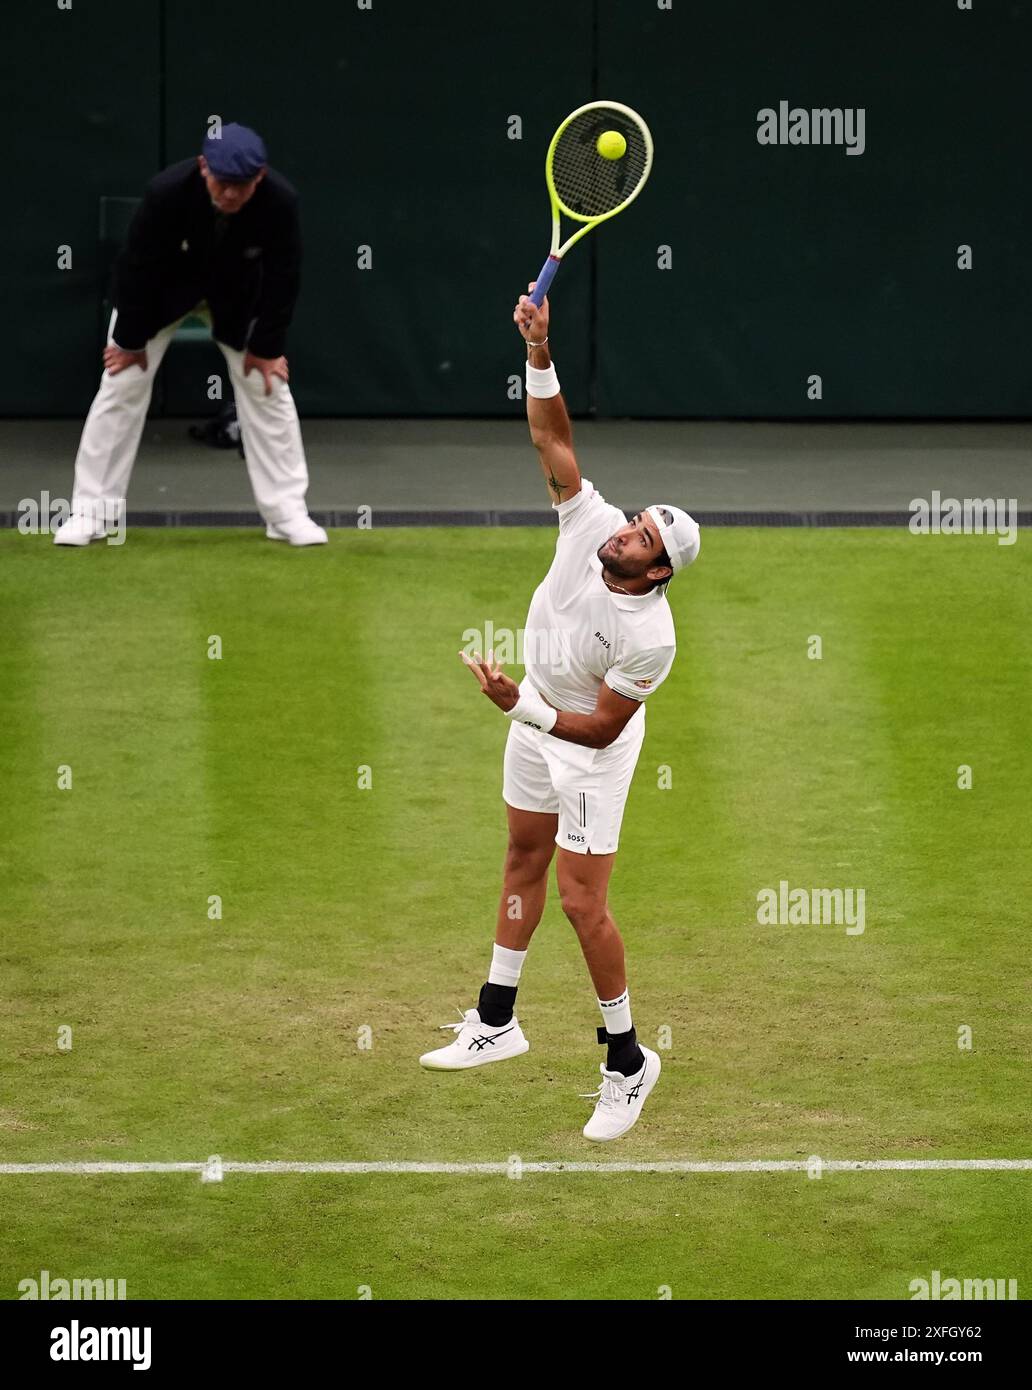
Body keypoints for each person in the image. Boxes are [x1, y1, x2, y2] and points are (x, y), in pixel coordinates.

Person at [420, 285, 701, 1143]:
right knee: (520, 854)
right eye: (637, 523)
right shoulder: (590, 524)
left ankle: (628, 1061)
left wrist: (520, 706)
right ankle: (497, 1019)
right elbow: (552, 437)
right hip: (537, 720)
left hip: (585, 747)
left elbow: (602, 730)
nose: (626, 533)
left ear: (656, 573)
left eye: (642, 540)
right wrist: (537, 352)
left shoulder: (649, 635)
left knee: (585, 905)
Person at [55, 122, 326, 547]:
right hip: (161, 296)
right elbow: (135, 267)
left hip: (238, 299)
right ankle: (92, 512)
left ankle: (287, 513)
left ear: (260, 176)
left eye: (242, 184)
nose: (231, 193)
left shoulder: (280, 201)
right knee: (121, 383)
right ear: (203, 167)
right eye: (223, 182)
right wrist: (128, 341)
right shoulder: (165, 192)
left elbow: (283, 276)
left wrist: (267, 347)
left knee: (267, 386)